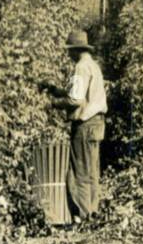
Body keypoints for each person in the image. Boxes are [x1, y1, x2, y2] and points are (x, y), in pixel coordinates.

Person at [43, 29, 107, 221]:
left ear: (75, 50)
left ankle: (84, 216)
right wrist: (56, 91)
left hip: (85, 125)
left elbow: (76, 100)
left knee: (80, 173)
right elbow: (79, 94)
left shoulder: (80, 67)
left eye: (69, 51)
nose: (68, 55)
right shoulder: (93, 66)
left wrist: (52, 104)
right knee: (92, 171)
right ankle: (93, 213)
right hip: (97, 123)